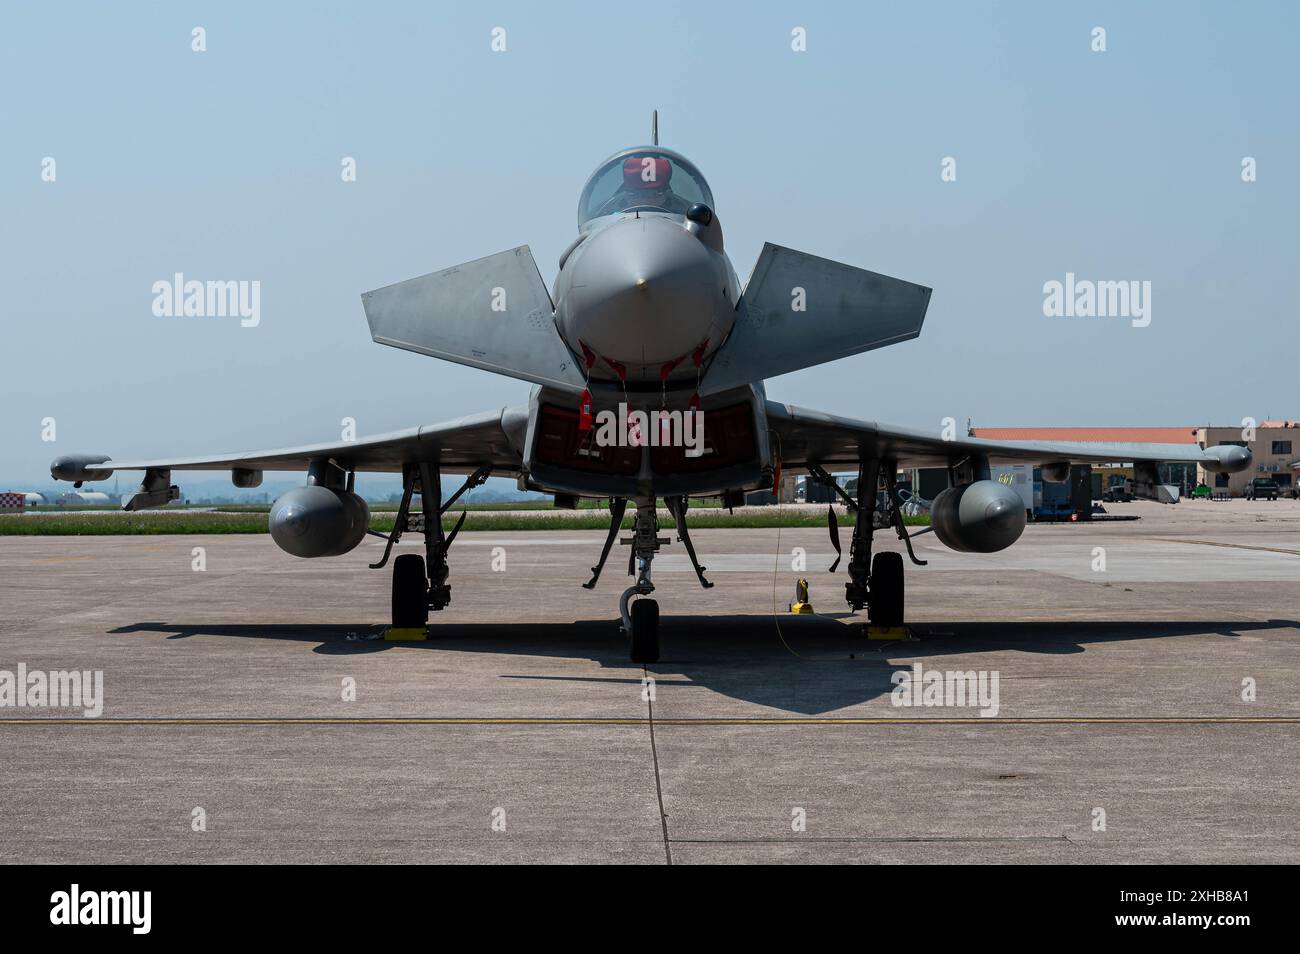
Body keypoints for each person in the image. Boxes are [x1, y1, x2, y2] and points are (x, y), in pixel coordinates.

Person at [595, 155, 690, 217]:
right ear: (626, 195)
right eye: (637, 194)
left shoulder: (685, 219)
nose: (645, 201)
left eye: (654, 194)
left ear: (666, 195)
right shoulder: (611, 218)